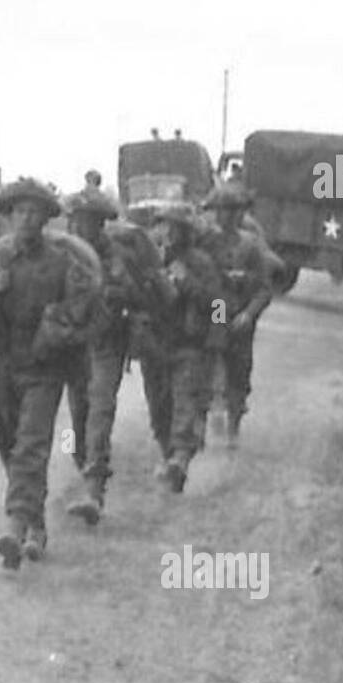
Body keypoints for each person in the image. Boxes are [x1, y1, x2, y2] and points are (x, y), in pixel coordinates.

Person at [0, 178, 99, 568]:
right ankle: (34, 523)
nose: (26, 218)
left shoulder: (61, 261)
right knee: (10, 449)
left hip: (43, 368)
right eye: (20, 211)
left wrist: (54, 327)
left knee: (30, 448)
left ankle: (16, 526)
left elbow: (81, 310)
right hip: (0, 367)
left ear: (45, 219)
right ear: (9, 216)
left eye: (34, 212)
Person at [64, 185, 172, 524]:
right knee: (79, 410)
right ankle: (86, 464)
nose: (81, 227)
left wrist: (116, 291)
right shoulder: (64, 253)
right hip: (72, 343)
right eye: (77, 220)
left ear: (101, 223)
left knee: (100, 408)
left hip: (107, 340)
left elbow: (145, 295)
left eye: (89, 221)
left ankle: (94, 489)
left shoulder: (119, 255)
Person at [149, 202, 224, 493]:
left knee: (185, 402)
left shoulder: (201, 263)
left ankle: (180, 458)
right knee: (159, 406)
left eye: (174, 227)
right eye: (163, 226)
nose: (167, 233)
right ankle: (172, 457)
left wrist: (188, 283)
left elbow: (219, 305)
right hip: (156, 344)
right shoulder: (153, 261)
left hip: (190, 345)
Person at [200, 183, 273, 448]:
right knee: (215, 360)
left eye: (232, 211)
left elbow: (265, 288)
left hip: (242, 316)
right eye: (221, 211)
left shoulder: (251, 245)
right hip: (217, 311)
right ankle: (215, 411)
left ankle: (233, 425)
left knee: (240, 373)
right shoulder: (206, 242)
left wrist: (248, 314)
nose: (226, 216)